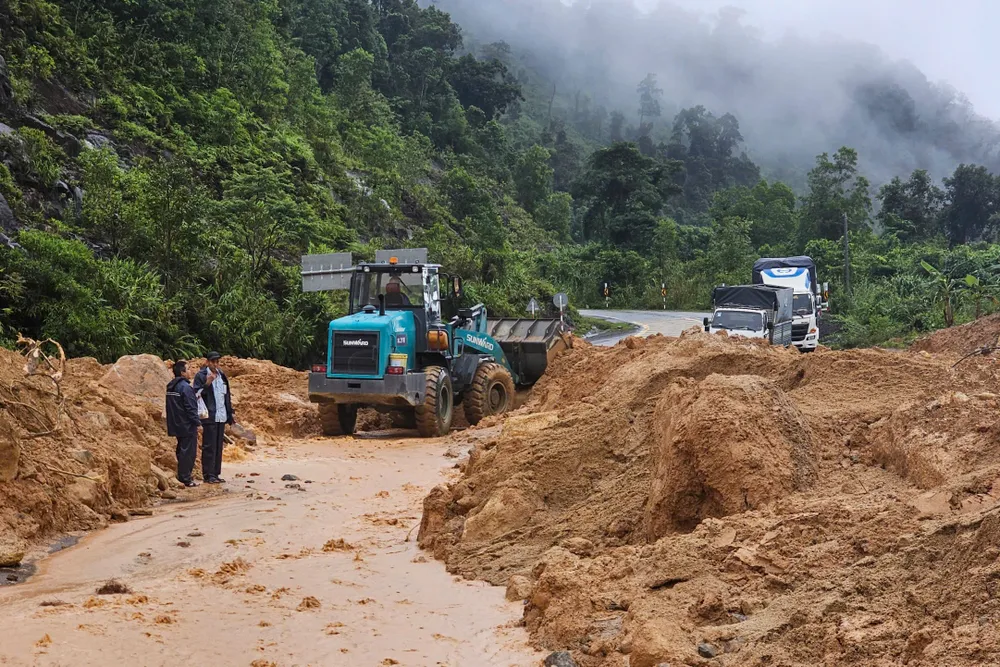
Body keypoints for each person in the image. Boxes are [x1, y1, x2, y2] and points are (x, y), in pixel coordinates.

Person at [193, 352, 234, 484]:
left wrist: (230, 414)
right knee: (209, 446)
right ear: (207, 362)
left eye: (217, 362)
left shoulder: (222, 375)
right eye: (213, 362)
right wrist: (207, 383)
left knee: (218, 447)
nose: (215, 364)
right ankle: (208, 474)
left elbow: (226, 396)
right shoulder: (201, 376)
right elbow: (196, 394)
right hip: (209, 416)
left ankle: (216, 473)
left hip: (221, 416)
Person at [165, 361, 201, 488]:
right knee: (188, 452)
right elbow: (190, 408)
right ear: (182, 372)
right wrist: (197, 422)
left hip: (176, 424)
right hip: (187, 425)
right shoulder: (186, 388)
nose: (191, 371)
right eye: (188, 369)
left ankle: (182, 475)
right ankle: (185, 478)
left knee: (181, 450)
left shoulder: (171, 386)